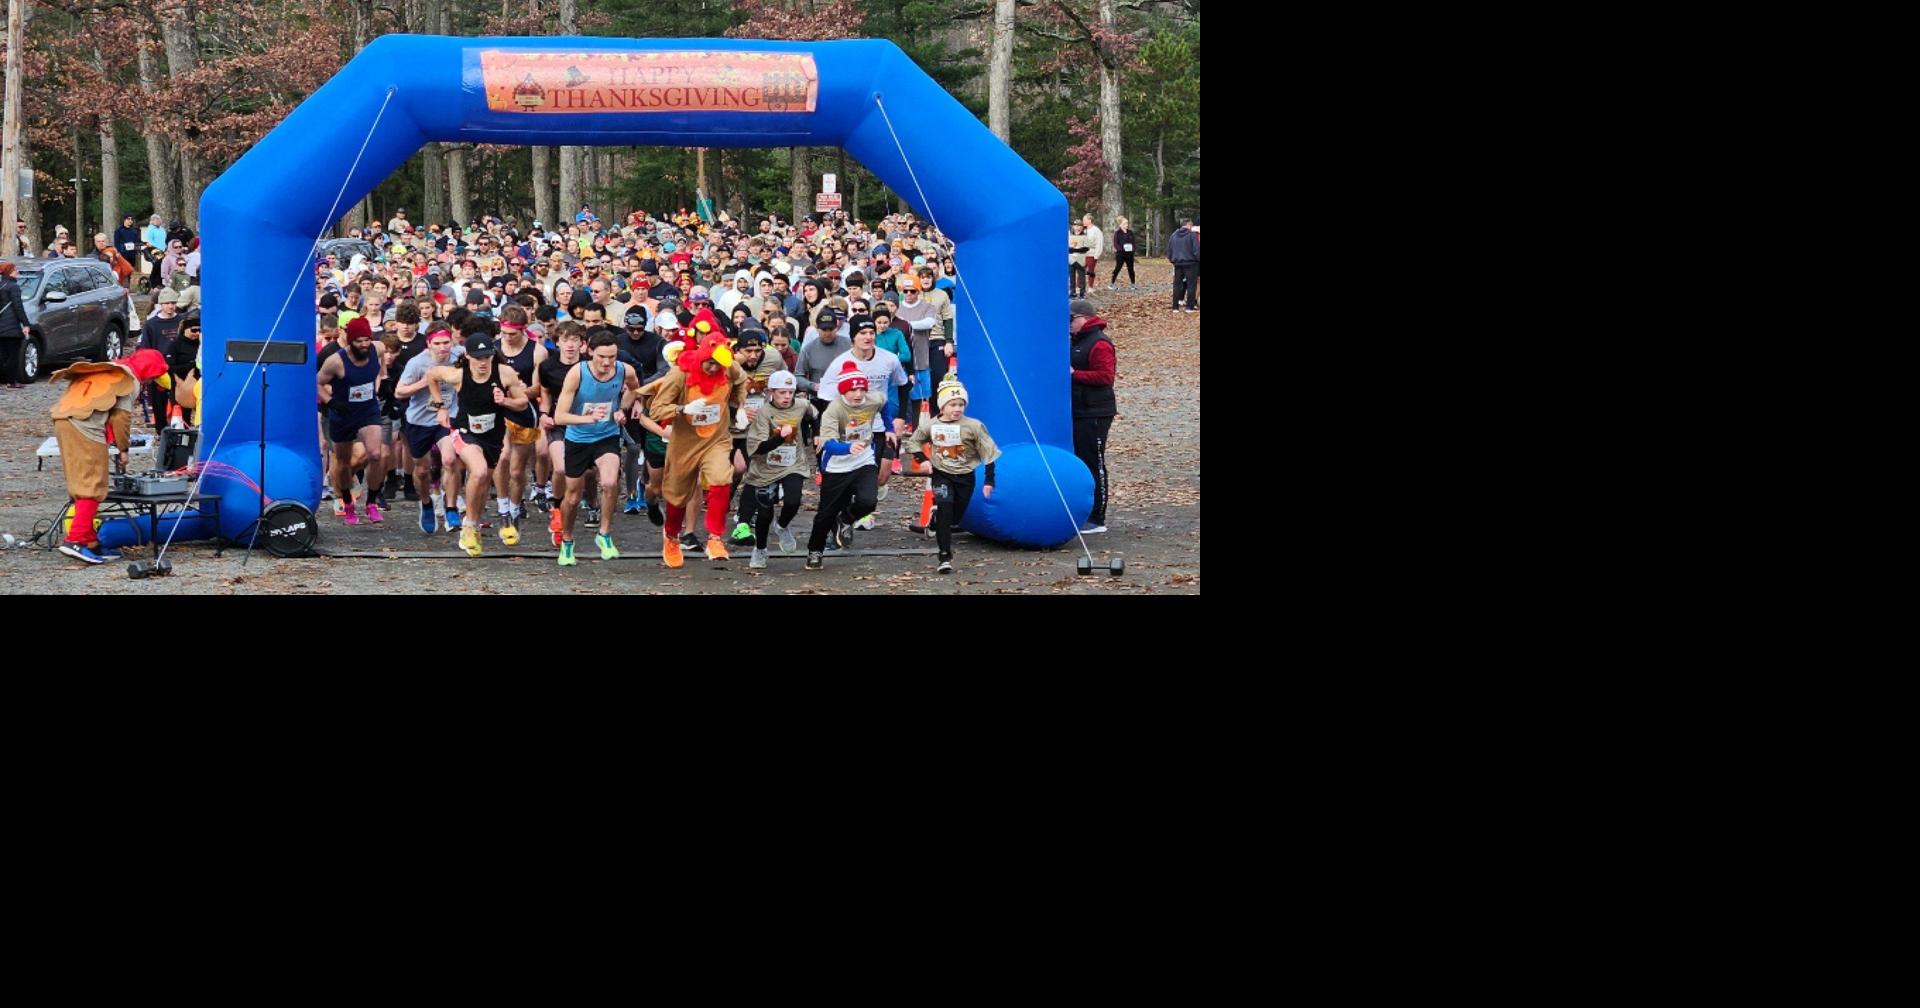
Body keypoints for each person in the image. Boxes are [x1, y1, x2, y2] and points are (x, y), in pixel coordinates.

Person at [414, 331, 534, 556]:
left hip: (493, 435)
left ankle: (475, 524)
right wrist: (440, 406)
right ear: (468, 356)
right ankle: (468, 525)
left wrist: (505, 400)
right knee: (478, 473)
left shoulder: (504, 373)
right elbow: (432, 375)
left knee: (483, 481)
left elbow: (523, 402)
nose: (483, 362)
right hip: (465, 431)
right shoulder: (458, 375)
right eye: (478, 358)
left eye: (487, 357)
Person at [49, 349, 170, 563]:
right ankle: (75, 539)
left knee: (79, 479)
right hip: (85, 426)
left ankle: (89, 541)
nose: (151, 381)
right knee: (92, 483)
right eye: (153, 377)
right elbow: (121, 418)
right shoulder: (130, 380)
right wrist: (123, 449)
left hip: (63, 419)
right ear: (149, 370)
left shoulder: (112, 368)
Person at [647, 331, 748, 568]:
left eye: (719, 364)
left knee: (722, 477)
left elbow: (741, 379)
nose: (714, 368)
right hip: (684, 442)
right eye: (710, 362)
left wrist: (740, 406)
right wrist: (683, 409)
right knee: (676, 495)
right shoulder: (679, 373)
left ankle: (714, 537)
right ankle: (671, 537)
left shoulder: (728, 367)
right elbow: (657, 410)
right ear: (702, 356)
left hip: (716, 439)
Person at [551, 330, 653, 565]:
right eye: (601, 357)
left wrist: (623, 408)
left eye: (612, 357)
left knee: (609, 482)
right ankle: (567, 541)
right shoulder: (577, 373)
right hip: (578, 437)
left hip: (606, 435)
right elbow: (560, 416)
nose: (607, 362)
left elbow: (634, 389)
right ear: (589, 352)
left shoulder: (624, 369)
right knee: (574, 497)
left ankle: (604, 535)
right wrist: (588, 418)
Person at [904, 378, 999, 574]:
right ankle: (944, 556)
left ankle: (935, 518)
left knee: (955, 517)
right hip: (942, 474)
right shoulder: (931, 425)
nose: (957, 409)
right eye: (952, 404)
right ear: (942, 406)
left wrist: (989, 480)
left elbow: (989, 453)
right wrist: (923, 459)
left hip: (965, 476)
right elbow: (913, 442)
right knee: (946, 508)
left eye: (961, 404)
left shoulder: (973, 426)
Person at [805, 361, 884, 569]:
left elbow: (885, 407)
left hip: (864, 458)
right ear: (843, 391)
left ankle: (846, 518)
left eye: (861, 389)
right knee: (825, 514)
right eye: (852, 390)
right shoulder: (834, 410)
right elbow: (828, 444)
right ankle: (815, 550)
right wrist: (847, 449)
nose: (858, 394)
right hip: (837, 464)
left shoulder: (874, 399)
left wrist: (891, 427)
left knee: (869, 501)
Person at [740, 370, 817, 569]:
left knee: (793, 500)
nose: (786, 397)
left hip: (793, 463)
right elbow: (757, 448)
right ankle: (760, 549)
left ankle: (782, 526)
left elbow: (814, 415)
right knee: (764, 513)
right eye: (782, 392)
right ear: (771, 392)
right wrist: (779, 438)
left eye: (790, 392)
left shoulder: (801, 405)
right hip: (766, 466)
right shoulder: (764, 413)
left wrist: (816, 434)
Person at [316, 317, 389, 526]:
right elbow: (317, 382)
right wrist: (331, 403)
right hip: (344, 413)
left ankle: (372, 502)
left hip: (368, 410)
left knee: (376, 454)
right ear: (350, 341)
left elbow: (383, 358)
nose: (364, 345)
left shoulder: (378, 348)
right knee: (344, 462)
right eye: (359, 341)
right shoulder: (336, 361)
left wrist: (382, 377)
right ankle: (347, 501)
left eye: (367, 340)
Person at [1068, 298, 1115, 534]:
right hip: (1079, 409)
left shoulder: (1100, 344)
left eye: (1071, 320)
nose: (1068, 325)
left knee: (1094, 461)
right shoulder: (1076, 341)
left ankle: (1098, 517)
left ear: (1083, 318)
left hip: (1096, 411)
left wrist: (1075, 374)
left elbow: (1105, 377)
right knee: (1081, 458)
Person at [0, 261, 33, 389]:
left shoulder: (1, 285)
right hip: (11, 326)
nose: (17, 271)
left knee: (2, 354)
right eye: (15, 269)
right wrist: (26, 324)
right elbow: (18, 307)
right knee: (13, 355)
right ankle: (12, 381)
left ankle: (3, 380)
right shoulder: (13, 287)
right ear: (10, 272)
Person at [1169, 217, 1200, 313]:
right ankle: (1189, 307)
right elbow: (1196, 250)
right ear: (1188, 225)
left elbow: (1169, 250)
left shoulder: (1173, 235)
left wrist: (1172, 260)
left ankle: (1175, 307)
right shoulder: (1192, 235)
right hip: (1191, 263)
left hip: (1178, 263)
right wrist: (1198, 260)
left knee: (1177, 285)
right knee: (1191, 285)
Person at [1108, 216, 1137, 289]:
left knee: (1131, 269)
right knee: (1118, 268)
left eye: (1127, 223)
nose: (1126, 225)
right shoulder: (1117, 233)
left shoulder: (1130, 232)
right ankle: (1112, 283)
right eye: (1124, 223)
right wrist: (1121, 249)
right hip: (1120, 254)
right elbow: (1115, 243)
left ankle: (1133, 284)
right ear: (1120, 225)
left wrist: (1133, 249)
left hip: (1130, 254)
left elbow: (1133, 242)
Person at [1080, 214, 1104, 296]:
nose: (1083, 221)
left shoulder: (1096, 230)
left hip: (1092, 253)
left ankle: (1090, 287)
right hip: (1082, 254)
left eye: (1084, 220)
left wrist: (1096, 255)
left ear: (1089, 220)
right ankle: (1078, 287)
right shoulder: (1083, 230)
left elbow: (1099, 243)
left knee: (1090, 271)